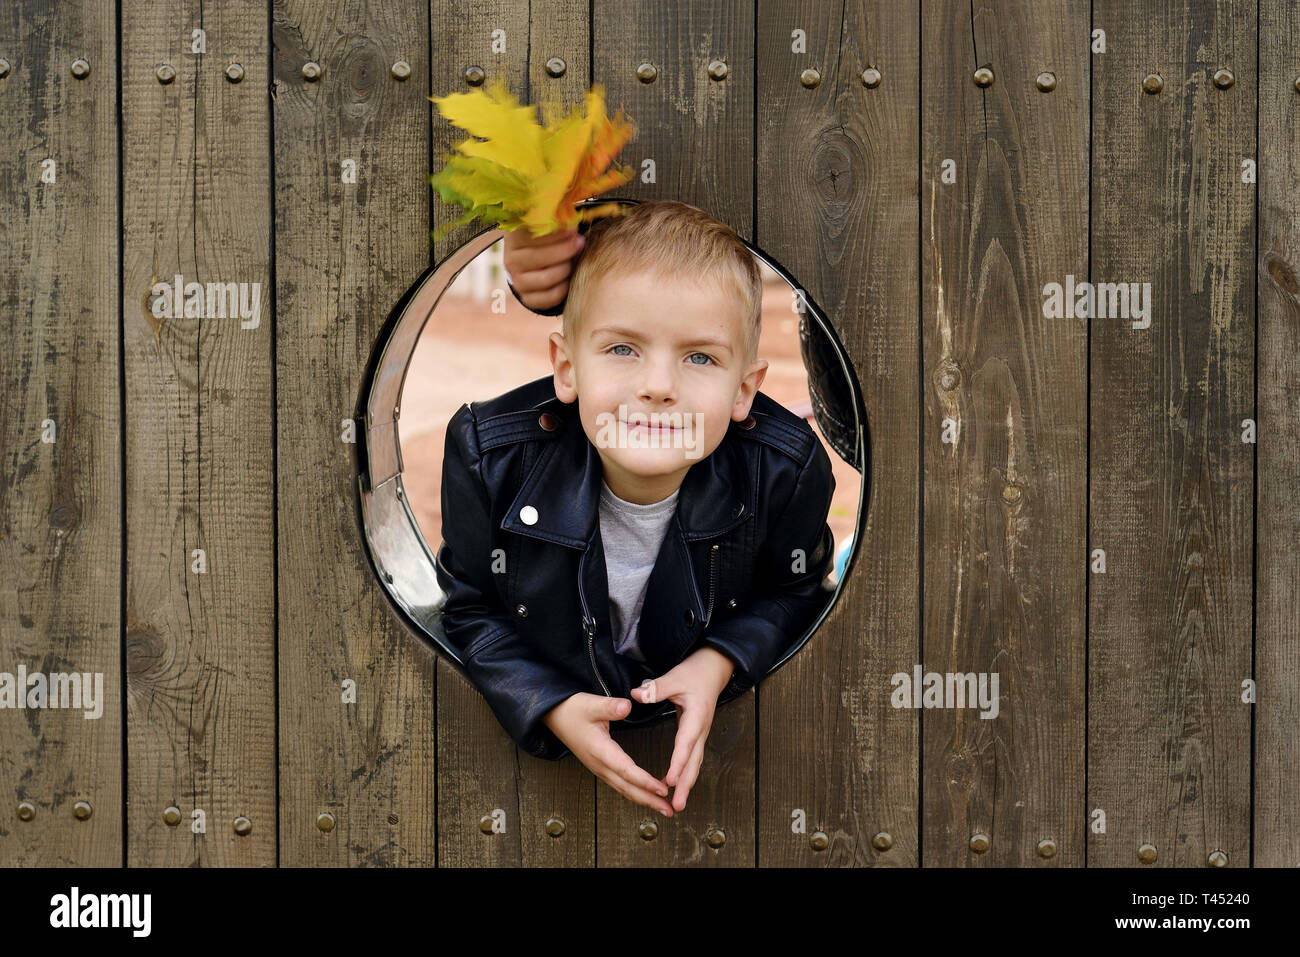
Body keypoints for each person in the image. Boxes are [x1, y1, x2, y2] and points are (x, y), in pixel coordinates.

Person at [435, 200, 835, 818]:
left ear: (745, 390)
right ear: (567, 368)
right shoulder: (491, 463)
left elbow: (798, 591)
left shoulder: (782, 473)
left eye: (699, 357)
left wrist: (720, 659)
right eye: (623, 349)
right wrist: (547, 702)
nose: (658, 385)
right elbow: (469, 609)